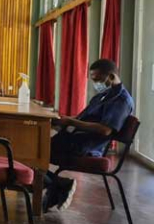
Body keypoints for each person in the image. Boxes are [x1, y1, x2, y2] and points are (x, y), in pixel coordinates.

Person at [43, 59, 134, 212]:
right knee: (32, 147)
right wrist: (62, 121)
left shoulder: (121, 100)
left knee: (31, 151)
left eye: (97, 79)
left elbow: (105, 130)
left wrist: (71, 122)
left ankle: (58, 184)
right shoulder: (103, 96)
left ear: (111, 77)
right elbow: (81, 118)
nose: (95, 83)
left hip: (85, 145)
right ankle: (58, 184)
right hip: (73, 138)